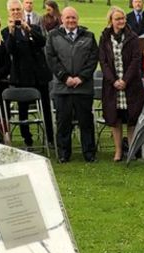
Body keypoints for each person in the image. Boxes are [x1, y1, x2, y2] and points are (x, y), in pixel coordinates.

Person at [44, 6, 99, 162]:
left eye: (73, 18)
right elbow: (51, 59)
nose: (70, 21)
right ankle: (63, 154)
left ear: (78, 19)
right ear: (62, 19)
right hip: (62, 88)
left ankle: (89, 154)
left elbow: (93, 58)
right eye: (67, 18)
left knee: (86, 122)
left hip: (83, 88)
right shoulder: (53, 36)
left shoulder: (89, 36)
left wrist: (81, 77)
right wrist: (65, 77)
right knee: (63, 123)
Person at [3, 0, 54, 147]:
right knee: (23, 111)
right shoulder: (7, 31)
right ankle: (28, 139)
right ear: (9, 12)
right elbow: (10, 50)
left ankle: (49, 138)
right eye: (12, 10)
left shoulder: (34, 27)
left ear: (22, 10)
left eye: (18, 9)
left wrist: (28, 29)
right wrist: (13, 32)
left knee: (45, 108)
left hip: (40, 75)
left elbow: (42, 42)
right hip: (22, 77)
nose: (15, 12)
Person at [98, 6, 143, 162]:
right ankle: (118, 151)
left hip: (130, 85)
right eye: (118, 19)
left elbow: (136, 60)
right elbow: (103, 62)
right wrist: (114, 81)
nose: (121, 21)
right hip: (112, 86)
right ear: (111, 21)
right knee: (115, 119)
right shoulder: (104, 38)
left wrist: (125, 80)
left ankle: (131, 150)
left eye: (123, 18)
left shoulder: (133, 37)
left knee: (131, 118)